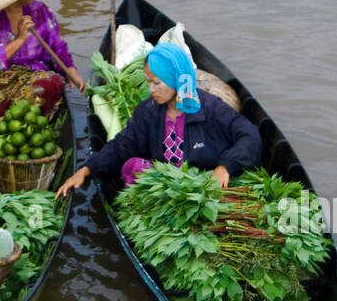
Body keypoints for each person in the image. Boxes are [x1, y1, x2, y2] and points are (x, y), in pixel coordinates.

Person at [55, 43, 262, 197]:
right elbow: (122, 146)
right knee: (131, 166)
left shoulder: (210, 107)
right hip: (169, 185)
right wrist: (86, 169)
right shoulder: (149, 111)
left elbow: (249, 135)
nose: (151, 90)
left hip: (205, 183)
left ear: (175, 78)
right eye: (148, 82)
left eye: (157, 82)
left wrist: (224, 167)